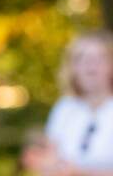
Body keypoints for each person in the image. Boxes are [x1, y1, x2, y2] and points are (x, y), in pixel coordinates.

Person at [35, 30, 113, 175]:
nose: (90, 66)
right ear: (73, 67)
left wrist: (81, 172)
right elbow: (49, 159)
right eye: (82, 58)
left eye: (99, 58)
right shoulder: (64, 108)